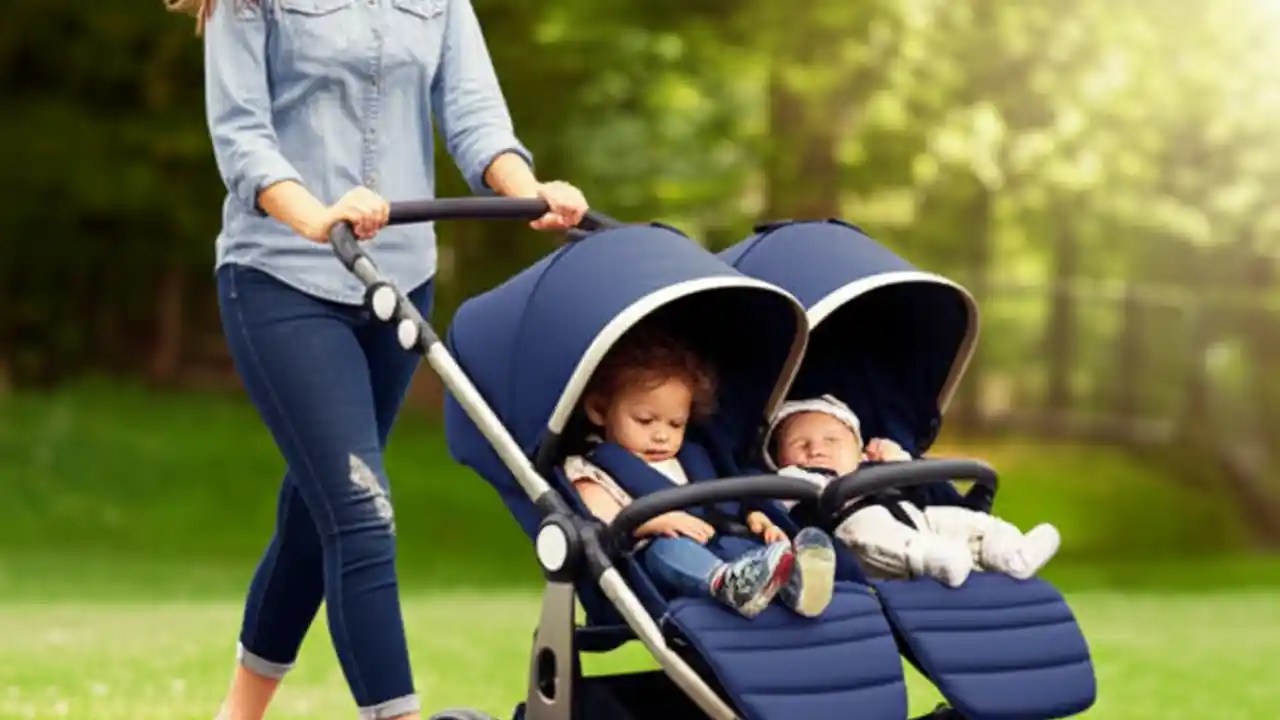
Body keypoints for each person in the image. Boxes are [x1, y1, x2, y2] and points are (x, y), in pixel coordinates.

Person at [165, 0, 591, 717]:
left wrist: (531, 195)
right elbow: (243, 140)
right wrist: (315, 215)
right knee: (362, 512)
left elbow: (474, 117)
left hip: (395, 282)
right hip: (280, 275)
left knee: (318, 509)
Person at [564, 326, 838, 619]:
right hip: (655, 562)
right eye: (645, 420)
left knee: (756, 545)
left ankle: (793, 581)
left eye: (675, 424)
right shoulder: (591, 469)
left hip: (723, 543)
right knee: (667, 549)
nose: (661, 436)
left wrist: (754, 519)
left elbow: (723, 503)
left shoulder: (692, 458)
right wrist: (651, 522)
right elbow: (602, 527)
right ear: (598, 410)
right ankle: (726, 583)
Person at [763, 395, 1061, 588]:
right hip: (853, 533)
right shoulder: (794, 478)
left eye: (831, 440)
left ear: (859, 450)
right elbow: (775, 502)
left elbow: (919, 487)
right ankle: (934, 559)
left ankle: (1012, 553)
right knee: (869, 530)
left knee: (963, 521)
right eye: (800, 444)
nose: (816, 449)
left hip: (916, 518)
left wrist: (899, 460)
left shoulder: (873, 467)